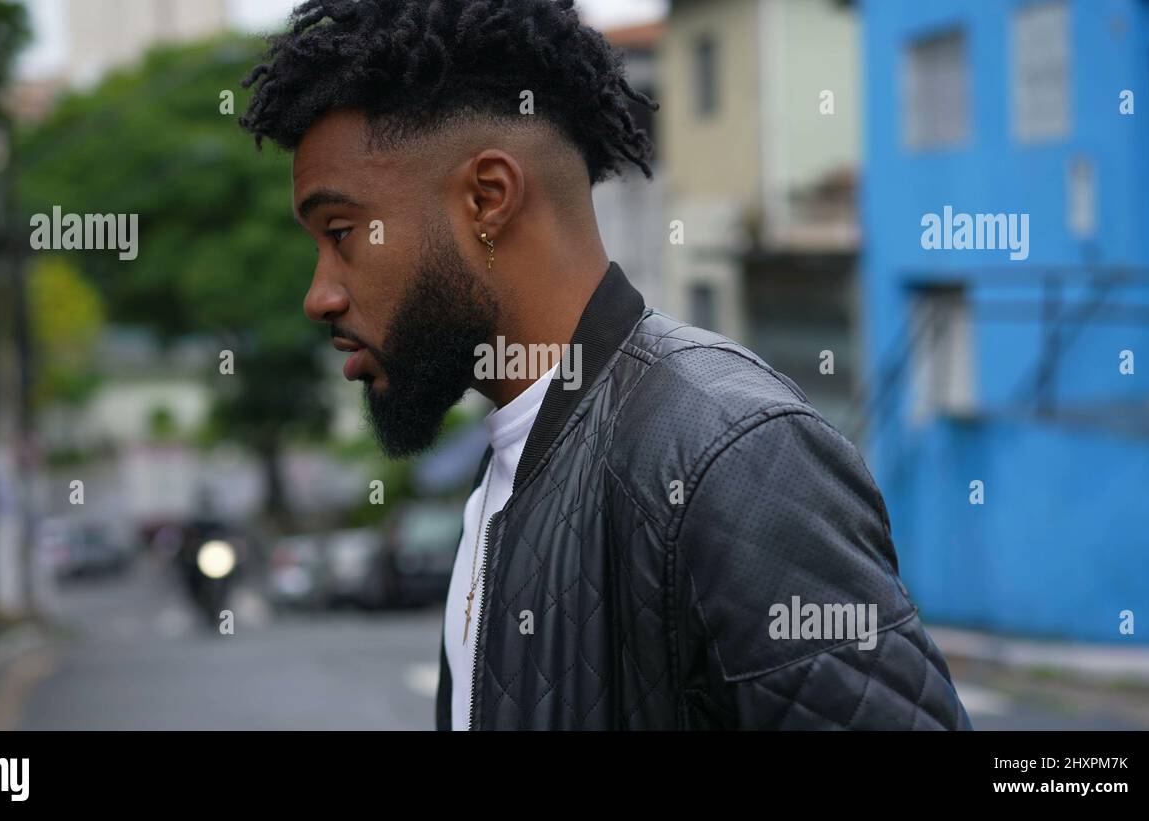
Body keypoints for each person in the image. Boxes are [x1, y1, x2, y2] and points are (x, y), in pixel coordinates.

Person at [240, 0, 971, 730]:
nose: (319, 295)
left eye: (342, 233)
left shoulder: (731, 449)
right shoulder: (507, 469)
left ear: (487, 198)